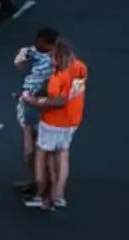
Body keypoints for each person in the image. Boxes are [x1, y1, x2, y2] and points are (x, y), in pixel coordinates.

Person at [20, 40, 87, 210]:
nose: (50, 61)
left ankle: (42, 196)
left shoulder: (60, 75)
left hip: (54, 122)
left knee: (45, 157)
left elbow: (59, 101)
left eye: (52, 57)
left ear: (60, 56)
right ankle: (59, 196)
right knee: (62, 153)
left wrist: (33, 101)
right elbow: (70, 94)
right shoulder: (80, 67)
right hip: (72, 121)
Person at [12, 28, 58, 196]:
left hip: (45, 106)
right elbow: (24, 54)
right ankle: (36, 180)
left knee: (42, 147)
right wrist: (21, 58)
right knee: (31, 150)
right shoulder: (36, 52)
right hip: (30, 105)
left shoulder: (59, 59)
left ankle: (46, 181)